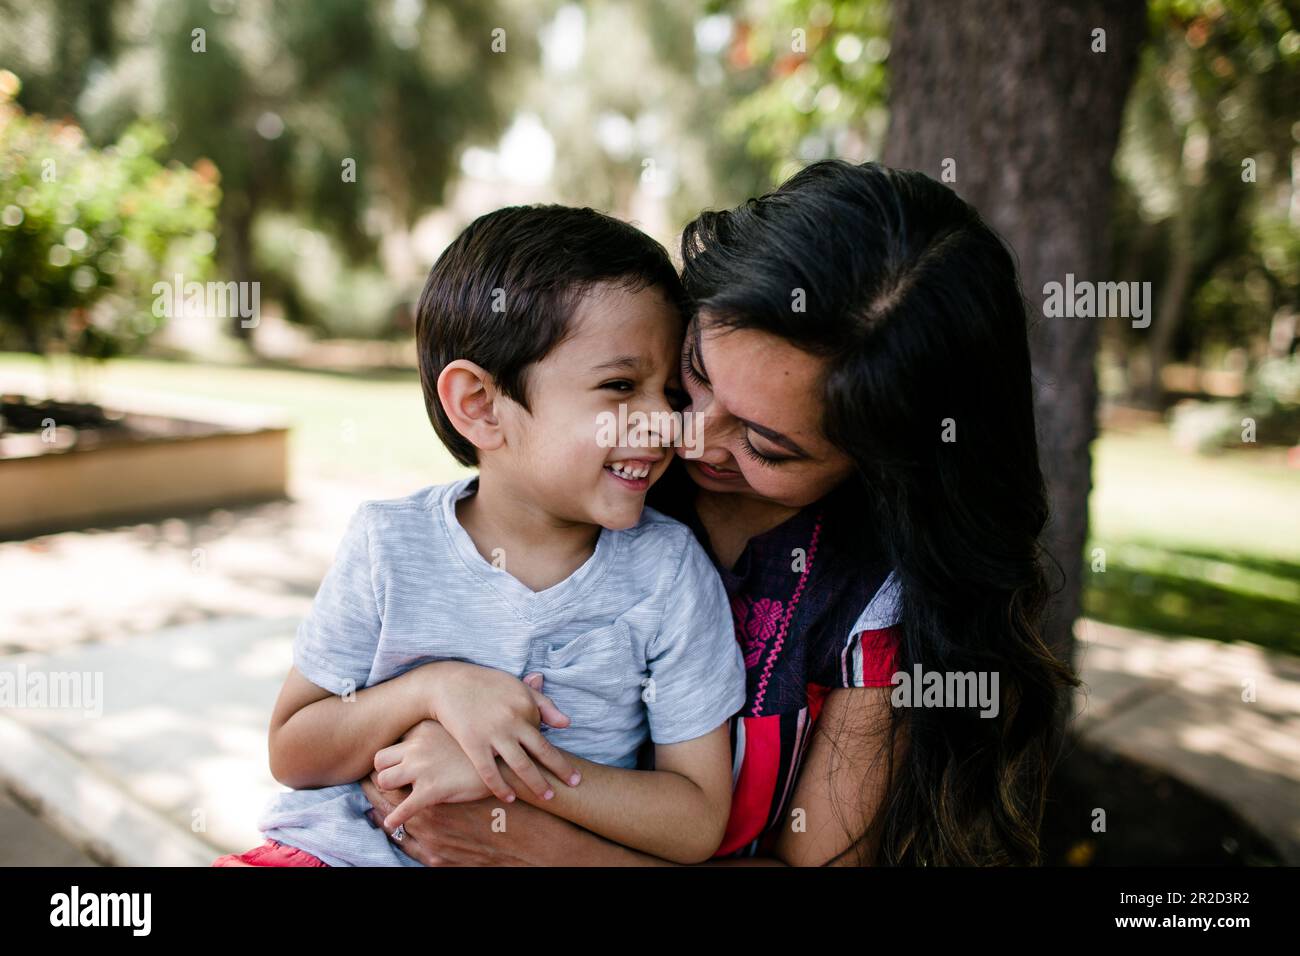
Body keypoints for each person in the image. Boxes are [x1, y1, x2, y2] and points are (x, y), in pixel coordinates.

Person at [356, 160, 1080, 866]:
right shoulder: (605, 473)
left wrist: (536, 845)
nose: (689, 432)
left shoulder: (878, 610)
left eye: (766, 443)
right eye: (695, 373)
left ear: (883, 464)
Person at [213, 204, 746, 866]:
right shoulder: (390, 545)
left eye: (668, 393)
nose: (661, 422)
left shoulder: (667, 575)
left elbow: (693, 819)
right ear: (481, 405)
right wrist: (432, 688)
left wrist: (517, 772)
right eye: (619, 386)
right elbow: (294, 749)